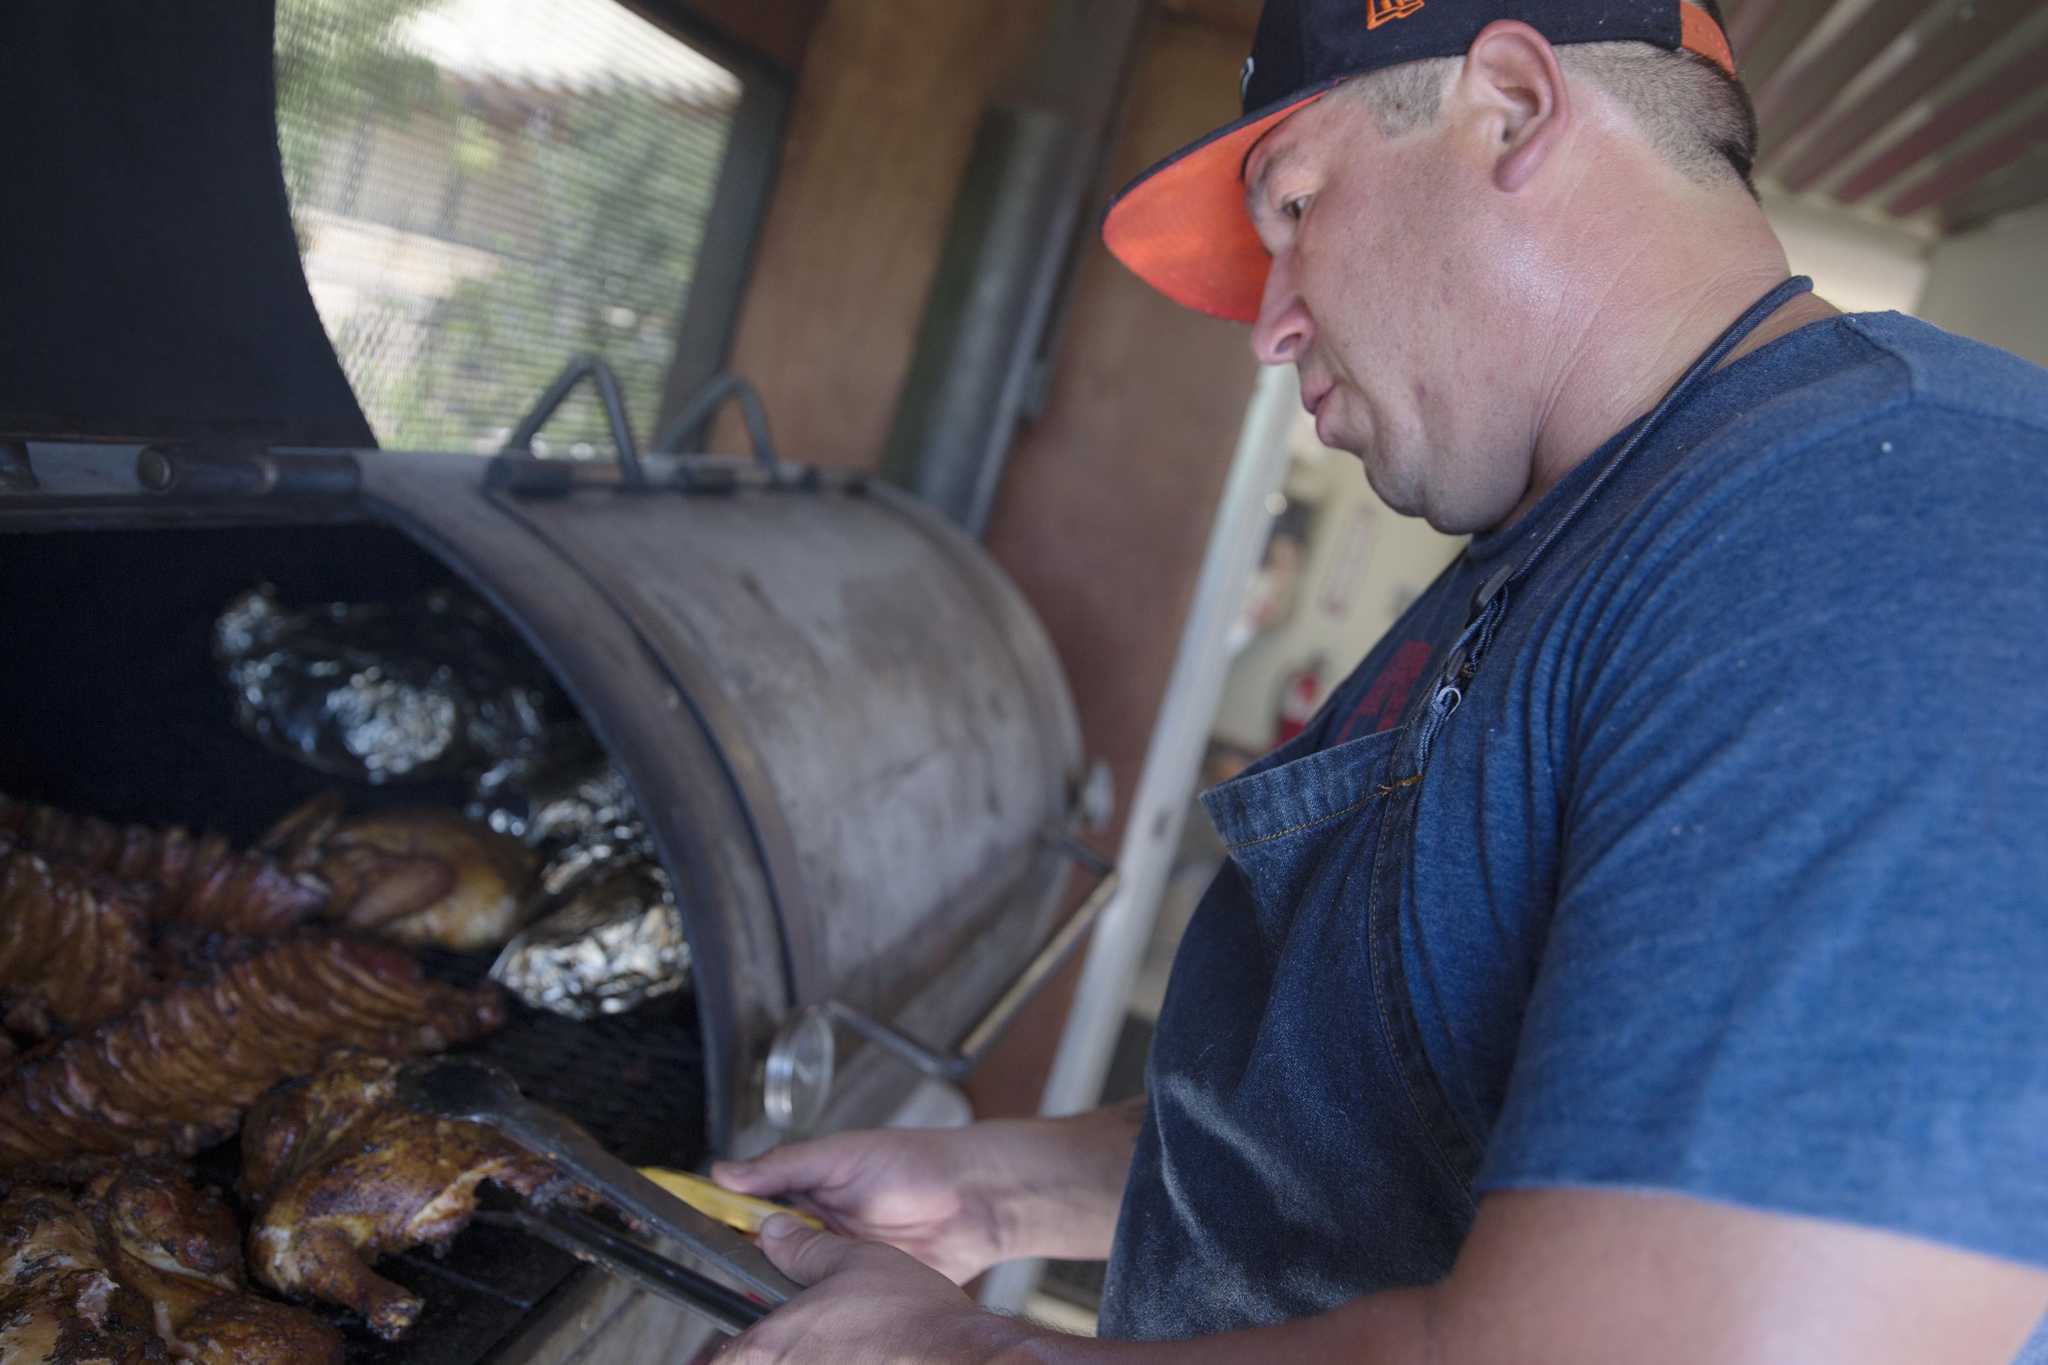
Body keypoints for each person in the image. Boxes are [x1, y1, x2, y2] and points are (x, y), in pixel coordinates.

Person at [710, 1, 2048, 1359]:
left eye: (1295, 208)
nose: (1270, 328)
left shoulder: (1900, 537)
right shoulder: (1568, 540)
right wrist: (989, 1197)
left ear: (1512, 110)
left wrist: (952, 1351)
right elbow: (1403, 1115)